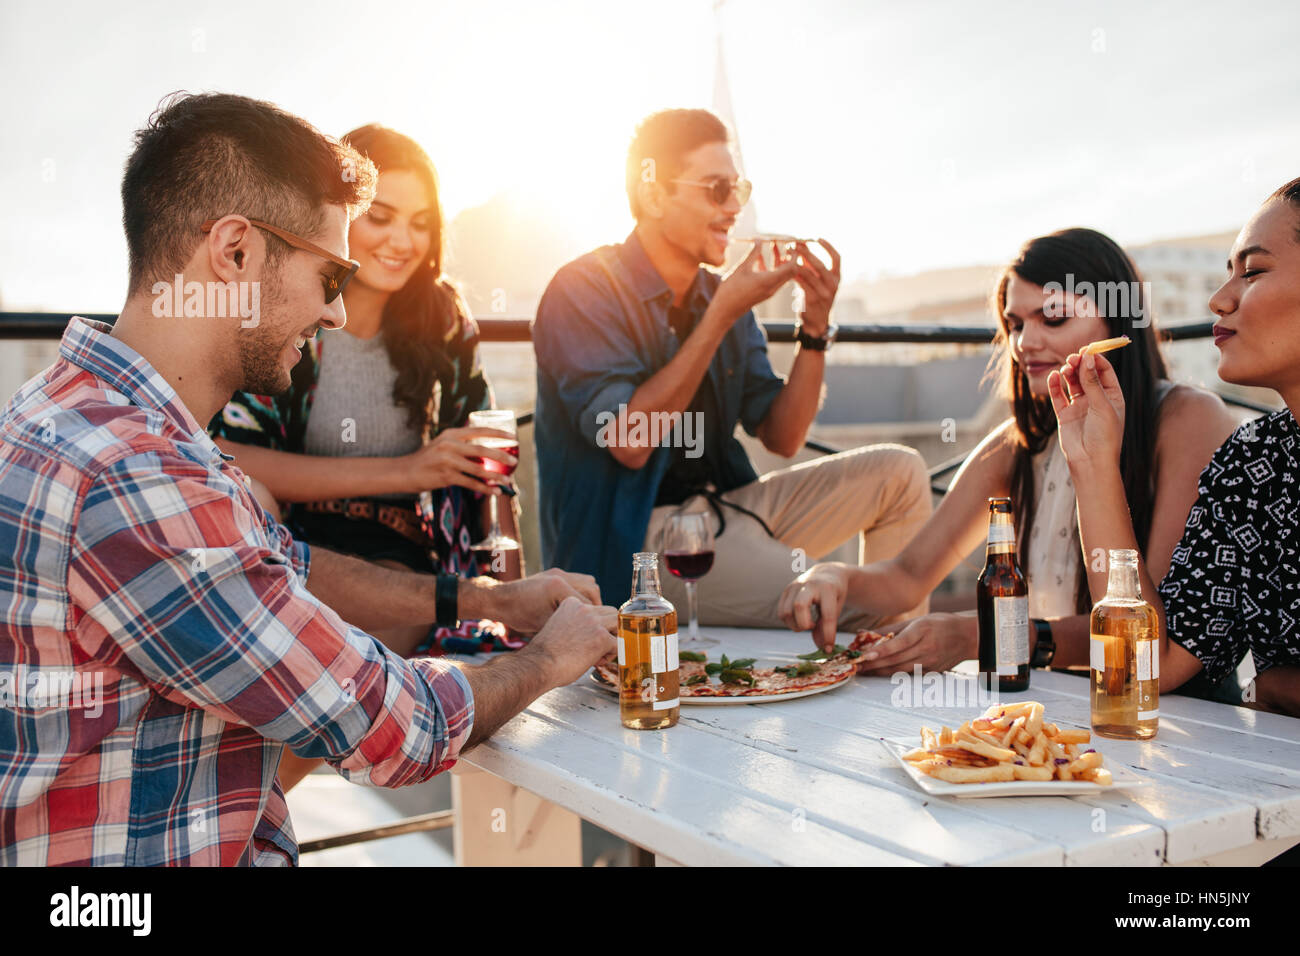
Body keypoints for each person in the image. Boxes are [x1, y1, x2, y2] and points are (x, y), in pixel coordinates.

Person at [0, 92, 614, 866]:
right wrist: (546, 660)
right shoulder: (138, 480)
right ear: (234, 252)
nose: (333, 313)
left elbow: (279, 567)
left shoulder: (79, 415)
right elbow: (400, 730)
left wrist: (493, 599)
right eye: (330, 276)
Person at [533, 108, 932, 627]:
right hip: (638, 544)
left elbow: (784, 436)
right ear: (654, 193)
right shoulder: (585, 289)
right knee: (857, 600)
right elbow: (630, 441)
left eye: (738, 191)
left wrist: (813, 329)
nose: (733, 210)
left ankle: (888, 656)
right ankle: (895, 656)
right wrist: (723, 312)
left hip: (730, 509)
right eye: (717, 190)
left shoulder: (716, 294)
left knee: (899, 473)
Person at [779, 228, 1240, 674]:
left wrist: (987, 637)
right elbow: (907, 576)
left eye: (1053, 318)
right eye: (1015, 324)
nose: (1025, 343)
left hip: (1168, 717)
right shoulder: (1016, 442)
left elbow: (1155, 641)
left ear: (1116, 321)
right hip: (1048, 710)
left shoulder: (1186, 419)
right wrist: (835, 577)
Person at [210, 124, 522, 660]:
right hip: (287, 535)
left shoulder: (443, 317)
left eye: (420, 224)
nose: (402, 242)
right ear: (337, 214)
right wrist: (409, 469)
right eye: (380, 217)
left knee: (352, 664)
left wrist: (516, 603)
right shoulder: (283, 305)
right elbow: (230, 456)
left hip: (395, 549)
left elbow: (488, 457)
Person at [1047, 180, 1300, 717]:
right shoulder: (1253, 465)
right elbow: (1146, 664)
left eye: (1252, 272)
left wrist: (1283, 688)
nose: (1219, 299)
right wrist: (1093, 466)